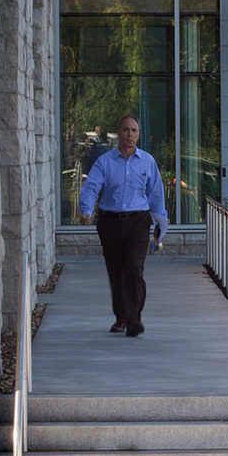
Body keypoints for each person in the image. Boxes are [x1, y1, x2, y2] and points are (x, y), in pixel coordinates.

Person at [78, 113, 167, 337]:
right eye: (126, 130)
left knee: (134, 268)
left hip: (138, 220)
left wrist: (161, 223)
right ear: (119, 133)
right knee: (116, 270)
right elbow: (91, 187)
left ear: (138, 135)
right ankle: (121, 318)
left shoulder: (147, 161)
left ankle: (134, 318)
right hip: (110, 221)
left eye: (134, 131)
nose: (130, 134)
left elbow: (155, 193)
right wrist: (86, 210)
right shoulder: (105, 162)